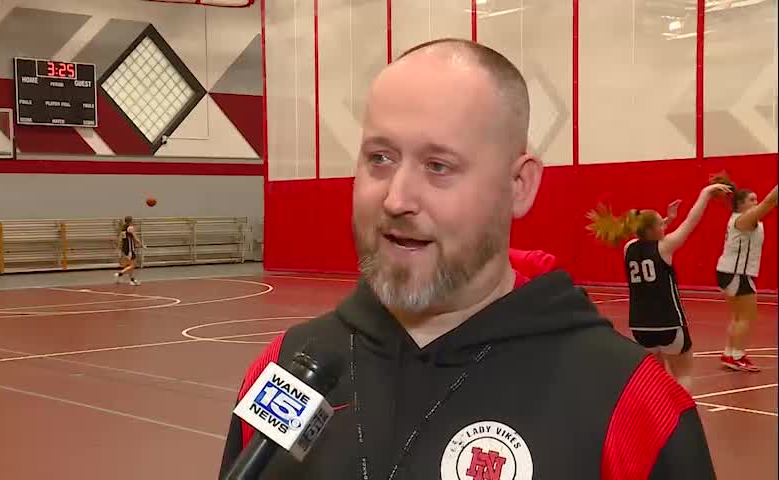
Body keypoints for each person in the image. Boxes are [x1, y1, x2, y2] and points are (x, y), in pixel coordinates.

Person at [220, 39, 715, 480]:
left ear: (519, 186)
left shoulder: (628, 402)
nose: (396, 198)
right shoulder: (285, 369)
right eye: (380, 158)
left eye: (438, 166)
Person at [586, 184, 731, 392]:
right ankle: (682, 420)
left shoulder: (629, 249)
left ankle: (658, 419)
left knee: (657, 380)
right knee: (683, 375)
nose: (665, 228)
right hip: (669, 323)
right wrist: (706, 193)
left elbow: (647, 233)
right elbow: (691, 221)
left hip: (640, 327)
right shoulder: (665, 247)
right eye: (661, 225)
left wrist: (666, 220)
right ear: (654, 229)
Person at [711, 174, 778, 372]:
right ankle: (738, 355)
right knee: (746, 316)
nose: (756, 203)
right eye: (752, 200)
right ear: (740, 204)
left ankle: (729, 354)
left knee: (738, 316)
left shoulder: (744, 218)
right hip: (736, 273)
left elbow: (770, 203)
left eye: (756, 200)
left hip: (730, 271)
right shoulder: (743, 219)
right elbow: (770, 201)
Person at [114, 216, 142, 286]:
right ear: (130, 221)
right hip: (130, 249)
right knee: (133, 265)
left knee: (130, 265)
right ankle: (119, 274)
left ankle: (132, 280)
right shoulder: (130, 228)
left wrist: (119, 247)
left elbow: (120, 239)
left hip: (125, 248)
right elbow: (135, 237)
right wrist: (141, 244)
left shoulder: (123, 228)